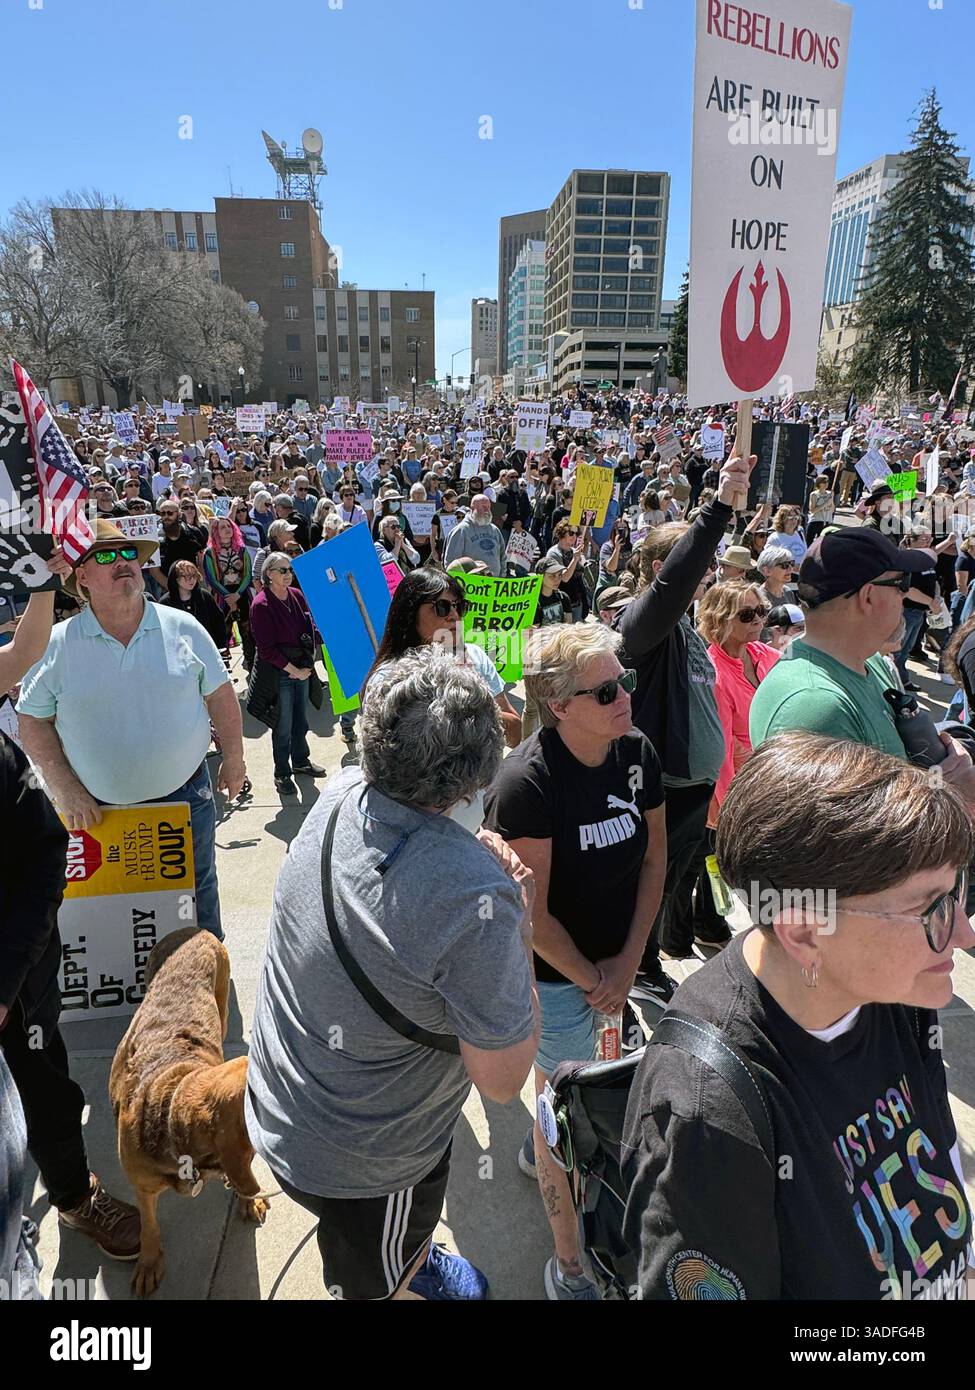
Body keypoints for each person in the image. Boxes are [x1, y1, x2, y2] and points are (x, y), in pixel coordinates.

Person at [622, 732, 975, 1301]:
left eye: (959, 891)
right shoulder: (709, 1113)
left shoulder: (899, 995)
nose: (963, 931)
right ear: (808, 931)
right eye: (931, 908)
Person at [245, 646, 539, 1300]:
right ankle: (400, 1273)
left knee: (380, 1245)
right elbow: (502, 1080)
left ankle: (400, 1255)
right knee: (378, 1279)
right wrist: (517, 924)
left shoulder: (341, 792)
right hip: (364, 1166)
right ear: (478, 775)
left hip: (279, 1099)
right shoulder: (478, 902)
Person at [484, 624, 666, 1301]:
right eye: (606, 690)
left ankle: (538, 1146)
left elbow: (654, 858)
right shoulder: (527, 785)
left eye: (626, 682)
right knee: (567, 1110)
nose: (624, 699)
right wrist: (596, 981)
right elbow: (533, 917)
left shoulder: (636, 751)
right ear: (558, 705)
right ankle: (569, 1268)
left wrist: (626, 964)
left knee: (585, 1093)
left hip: (612, 971)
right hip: (556, 979)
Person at [16, 521, 245, 942]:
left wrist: (235, 758)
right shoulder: (57, 644)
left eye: (129, 556)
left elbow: (221, 697)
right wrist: (64, 787)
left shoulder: (184, 628)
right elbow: (31, 720)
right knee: (118, 906)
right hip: (98, 808)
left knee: (199, 889)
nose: (122, 563)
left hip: (186, 797)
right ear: (81, 577)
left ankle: (207, 973)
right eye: (105, 556)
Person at [616, 452, 754, 1004]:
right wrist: (717, 508)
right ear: (658, 571)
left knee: (671, 886)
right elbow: (676, 584)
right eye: (692, 569)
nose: (705, 578)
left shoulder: (688, 633)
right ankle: (631, 976)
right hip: (663, 789)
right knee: (646, 890)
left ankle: (648, 964)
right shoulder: (640, 625)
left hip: (694, 792)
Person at [748, 528, 975, 804]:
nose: (905, 596)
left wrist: (948, 761)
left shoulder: (871, 662)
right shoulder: (814, 704)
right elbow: (847, 839)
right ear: (868, 596)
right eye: (902, 583)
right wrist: (954, 793)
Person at [365, 568, 521, 747]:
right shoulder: (386, 678)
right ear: (410, 614)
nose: (454, 616)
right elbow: (381, 757)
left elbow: (515, 736)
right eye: (442, 607)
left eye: (460, 606)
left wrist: (476, 702)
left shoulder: (474, 656)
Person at [248, 553, 327, 795]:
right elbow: (267, 649)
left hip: (301, 666)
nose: (288, 574)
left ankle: (301, 761)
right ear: (269, 574)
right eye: (283, 570)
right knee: (282, 725)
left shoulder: (297, 596)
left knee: (300, 720)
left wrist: (319, 646)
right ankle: (282, 772)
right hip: (279, 671)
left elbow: (309, 626)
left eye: (290, 570)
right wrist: (295, 671)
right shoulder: (260, 605)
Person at [202, 517, 255, 672]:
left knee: (247, 631)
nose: (227, 529)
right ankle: (222, 668)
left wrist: (237, 594)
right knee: (221, 632)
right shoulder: (210, 553)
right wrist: (228, 597)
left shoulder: (242, 550)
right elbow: (211, 578)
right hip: (221, 598)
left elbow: (247, 574)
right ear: (216, 532)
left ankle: (251, 663)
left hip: (242, 595)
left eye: (229, 526)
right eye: (222, 527)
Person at [161, 557, 228, 651]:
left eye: (194, 575)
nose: (192, 580)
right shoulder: (165, 603)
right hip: (180, 652)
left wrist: (220, 647)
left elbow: (218, 622)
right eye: (187, 576)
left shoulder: (204, 596)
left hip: (207, 649)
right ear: (176, 578)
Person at [443, 495, 506, 577]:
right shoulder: (461, 530)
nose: (487, 510)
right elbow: (451, 563)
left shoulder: (495, 530)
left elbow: (503, 557)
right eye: (483, 507)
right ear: (472, 508)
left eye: (488, 507)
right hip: (471, 585)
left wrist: (502, 577)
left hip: (494, 584)